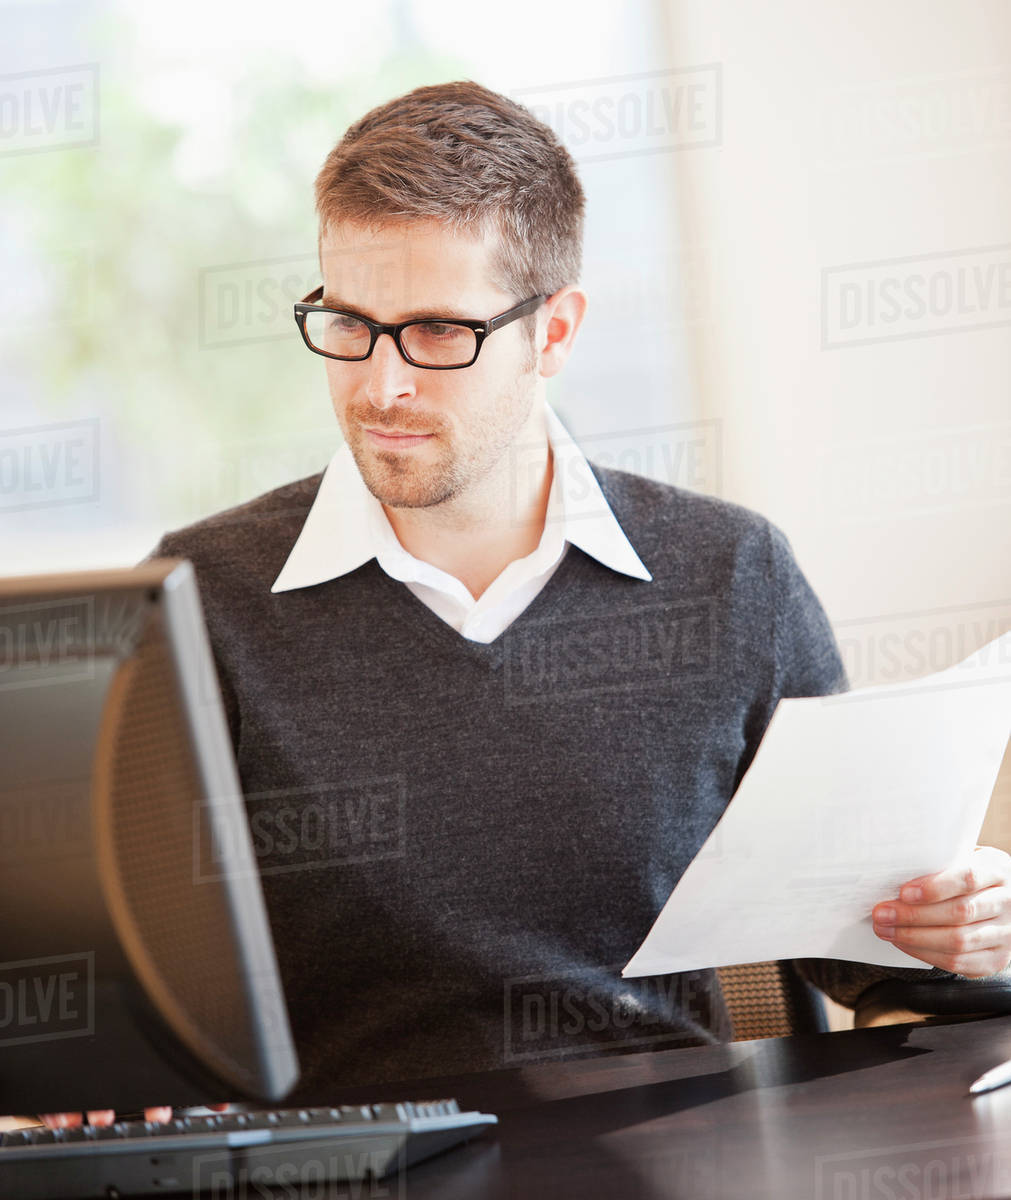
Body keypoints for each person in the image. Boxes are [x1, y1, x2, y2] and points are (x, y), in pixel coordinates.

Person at [37, 78, 1011, 1124]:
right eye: (349, 323)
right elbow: (129, 996)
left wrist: (965, 928)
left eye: (436, 332)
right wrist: (86, 1071)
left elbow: (873, 965)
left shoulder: (732, 579)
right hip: (356, 1168)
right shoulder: (203, 600)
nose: (381, 385)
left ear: (554, 332)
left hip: (676, 1157)